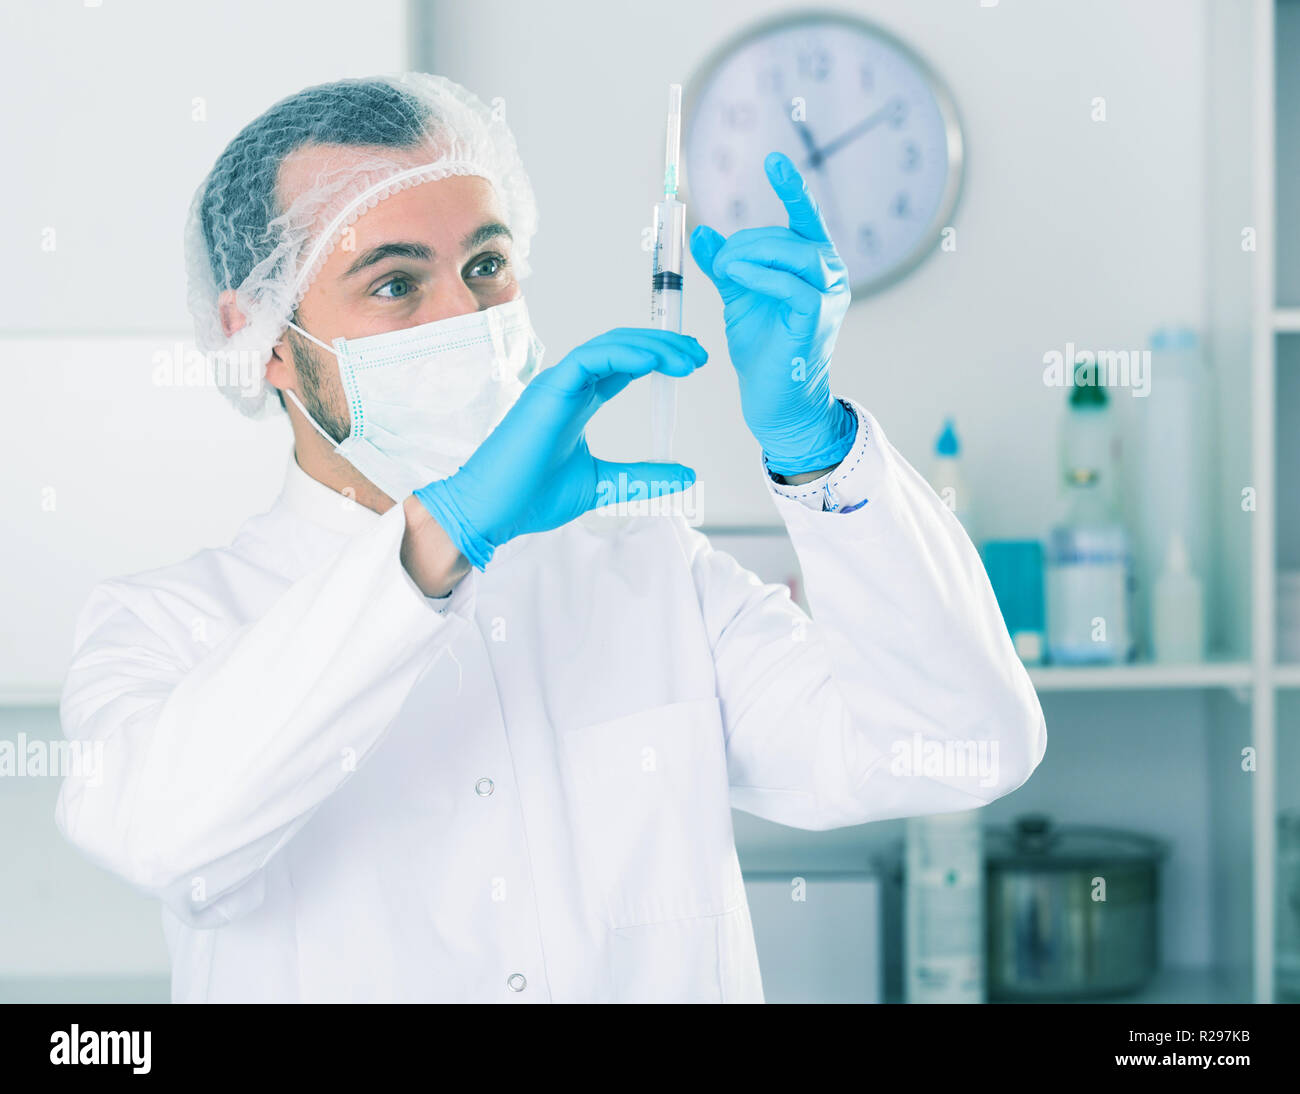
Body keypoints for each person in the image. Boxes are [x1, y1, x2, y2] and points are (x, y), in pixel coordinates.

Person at [55, 73, 1045, 1003]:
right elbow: (160, 834)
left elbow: (957, 747)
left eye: (485, 266)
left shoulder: (650, 573)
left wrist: (816, 449)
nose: (464, 314)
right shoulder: (168, 626)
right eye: (395, 284)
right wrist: (442, 539)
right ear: (262, 337)